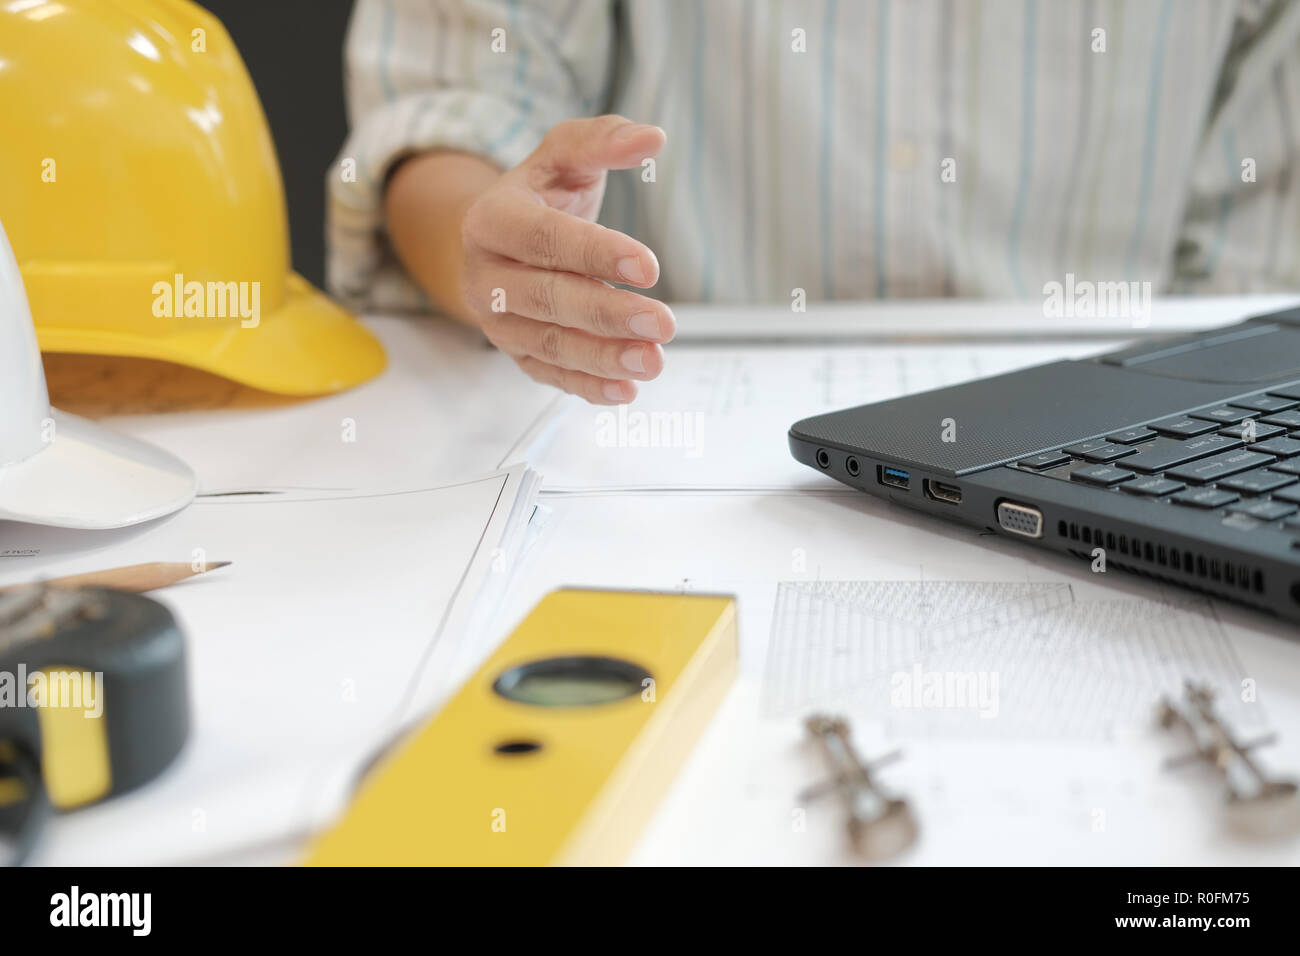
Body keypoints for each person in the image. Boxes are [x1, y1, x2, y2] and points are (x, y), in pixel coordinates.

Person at [328, 0, 1300, 405]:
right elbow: (447, 103)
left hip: (1122, 408)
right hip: (661, 406)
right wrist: (496, 250)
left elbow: (1257, 258)